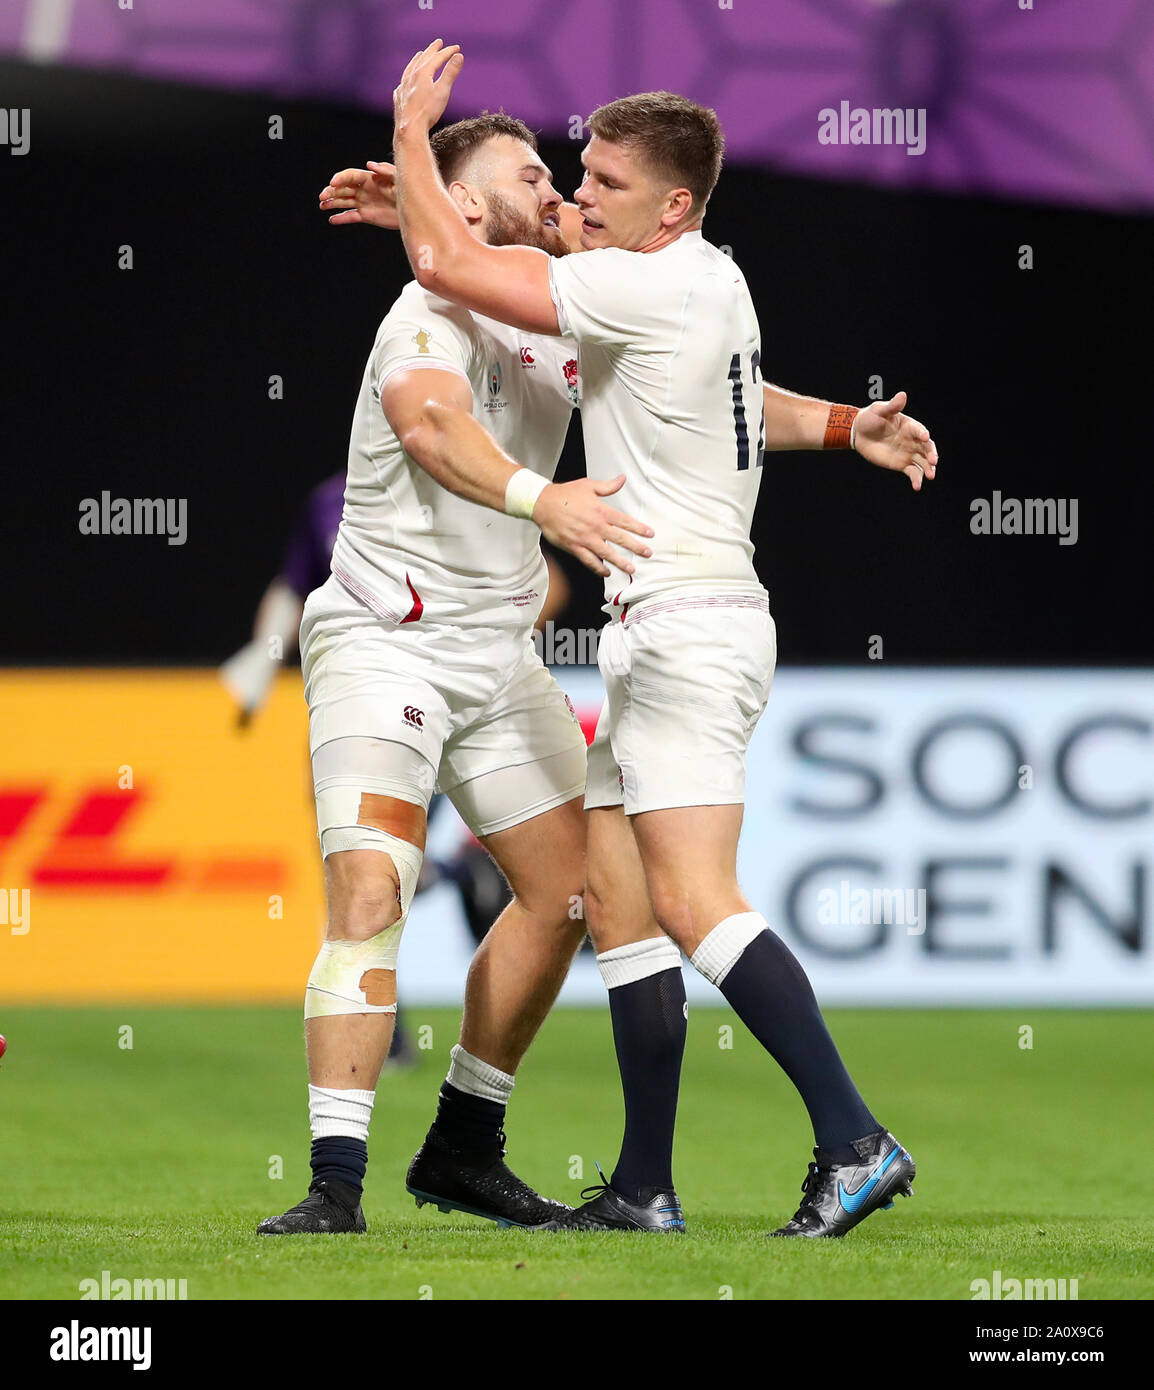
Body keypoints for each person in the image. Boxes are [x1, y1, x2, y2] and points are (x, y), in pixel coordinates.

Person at [387, 42, 938, 1237]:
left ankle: (853, 1139)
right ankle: (643, 1185)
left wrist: (410, 137)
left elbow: (446, 262)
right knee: (615, 900)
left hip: (686, 624)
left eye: (605, 184)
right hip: (668, 624)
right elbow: (745, 405)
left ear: (673, 204)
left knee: (693, 902)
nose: (578, 198)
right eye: (576, 173)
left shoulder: (648, 285)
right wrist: (849, 427)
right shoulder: (703, 280)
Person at [257, 112, 654, 1236]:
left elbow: (702, 401)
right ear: (469, 210)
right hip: (386, 643)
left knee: (571, 892)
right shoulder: (422, 317)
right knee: (372, 891)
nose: (561, 188)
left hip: (497, 657)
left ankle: (463, 1147)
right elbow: (432, 428)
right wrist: (548, 500)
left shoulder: (570, 315)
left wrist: (835, 426)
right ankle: (335, 1186)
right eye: (533, 174)